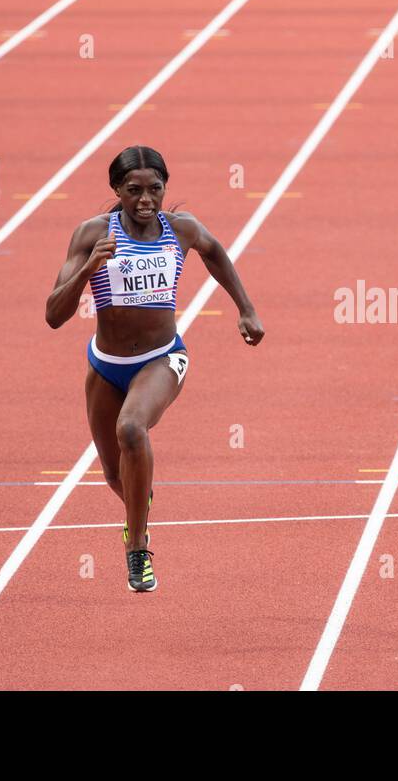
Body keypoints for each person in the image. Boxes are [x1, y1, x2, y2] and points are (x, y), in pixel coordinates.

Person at [46, 145, 263, 592]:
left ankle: (137, 546)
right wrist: (89, 267)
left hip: (162, 357)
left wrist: (245, 309)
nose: (145, 200)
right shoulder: (92, 233)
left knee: (132, 429)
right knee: (114, 474)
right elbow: (53, 314)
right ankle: (137, 513)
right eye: (134, 191)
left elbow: (215, 252)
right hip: (106, 365)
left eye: (155, 189)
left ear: (165, 188)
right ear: (116, 191)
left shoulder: (179, 229)